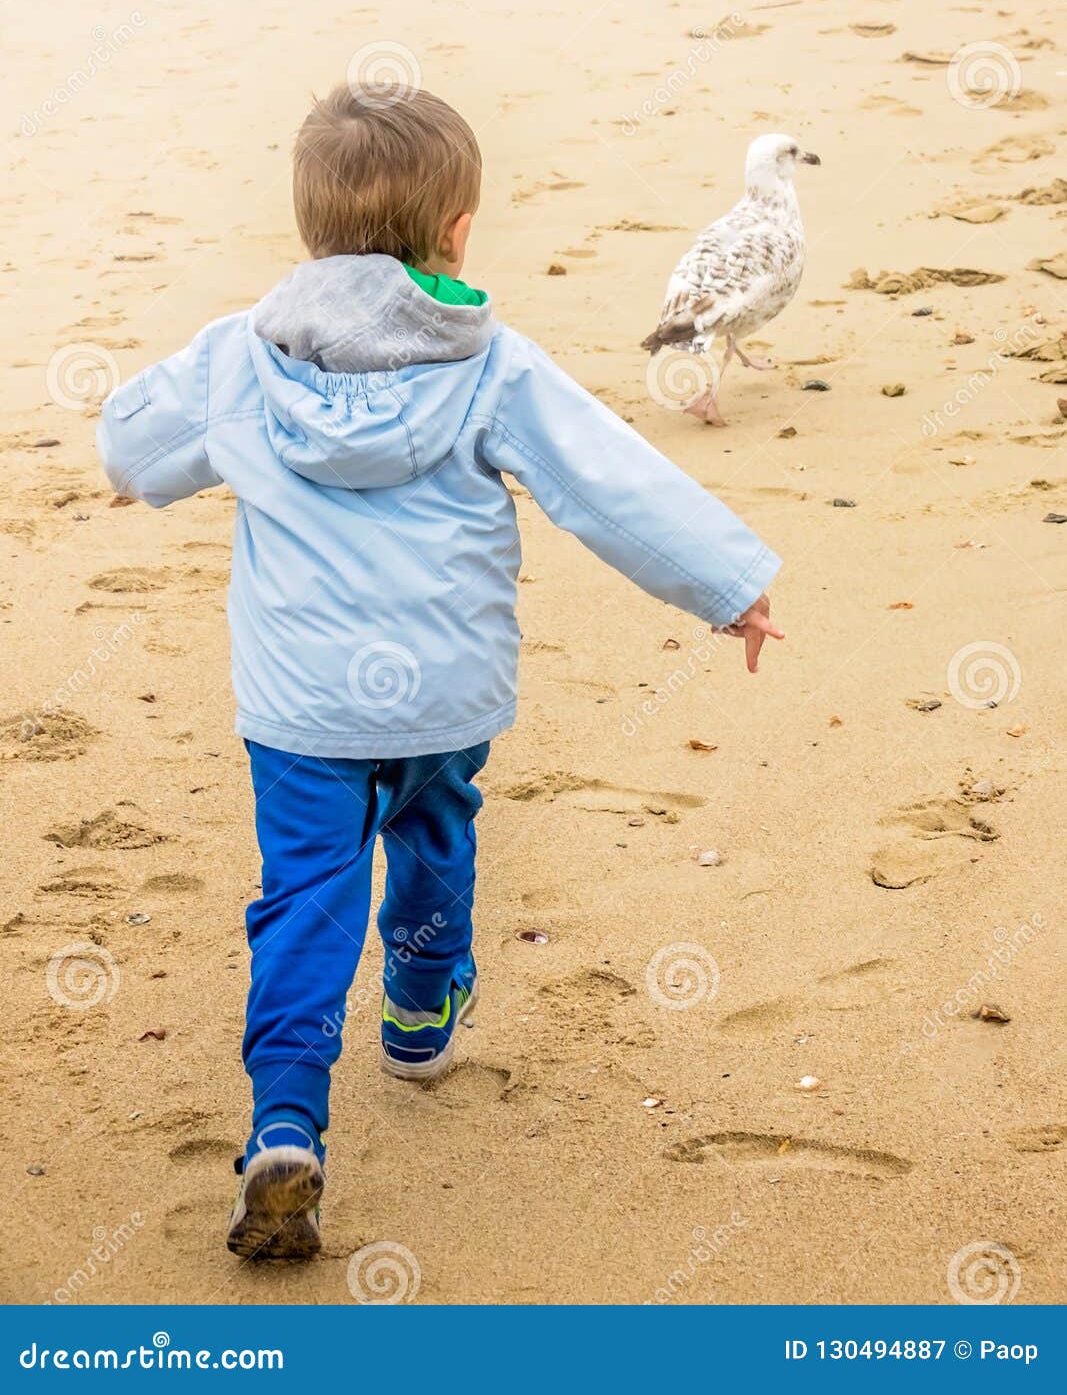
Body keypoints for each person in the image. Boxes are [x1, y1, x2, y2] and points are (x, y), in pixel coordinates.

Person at [97, 82, 784, 1260]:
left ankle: (284, 1122)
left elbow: (129, 449)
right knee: (432, 832)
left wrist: (169, 436)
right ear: (457, 232)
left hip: (301, 707)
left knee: (306, 893)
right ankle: (418, 1012)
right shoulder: (492, 362)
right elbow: (609, 484)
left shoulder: (238, 356)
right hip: (442, 693)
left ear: (308, 230)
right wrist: (726, 585)